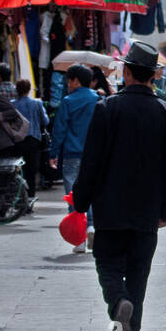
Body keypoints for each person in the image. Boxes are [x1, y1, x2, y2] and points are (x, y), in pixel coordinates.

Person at [71, 41, 166, 331]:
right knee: (138, 272)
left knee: (108, 264)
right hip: (148, 210)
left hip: (110, 207)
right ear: (152, 76)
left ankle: (118, 301)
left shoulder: (107, 109)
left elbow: (91, 161)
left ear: (128, 72)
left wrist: (80, 200)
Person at [50, 63, 100, 253]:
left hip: (72, 154)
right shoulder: (98, 100)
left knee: (74, 195)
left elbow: (60, 130)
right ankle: (91, 227)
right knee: (93, 192)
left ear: (75, 80)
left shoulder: (68, 101)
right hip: (93, 154)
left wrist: (53, 153)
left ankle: (79, 240)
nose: (67, 84)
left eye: (68, 80)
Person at [12, 79, 49, 197]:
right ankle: (30, 197)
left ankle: (19, 196)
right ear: (29, 90)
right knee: (31, 171)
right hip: (34, 140)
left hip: (17, 140)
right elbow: (45, 121)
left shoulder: (12, 104)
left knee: (18, 170)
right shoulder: (37, 103)